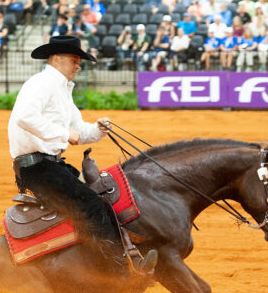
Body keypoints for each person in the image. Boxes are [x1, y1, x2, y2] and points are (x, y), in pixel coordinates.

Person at [9, 35, 157, 277]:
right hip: (37, 167)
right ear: (56, 59)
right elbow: (25, 117)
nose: (78, 66)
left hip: (48, 165)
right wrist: (62, 133)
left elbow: (79, 130)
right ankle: (119, 272)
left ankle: (122, 261)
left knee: (99, 198)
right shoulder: (42, 83)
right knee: (90, 204)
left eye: (79, 61)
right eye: (74, 59)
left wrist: (98, 129)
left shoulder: (61, 90)